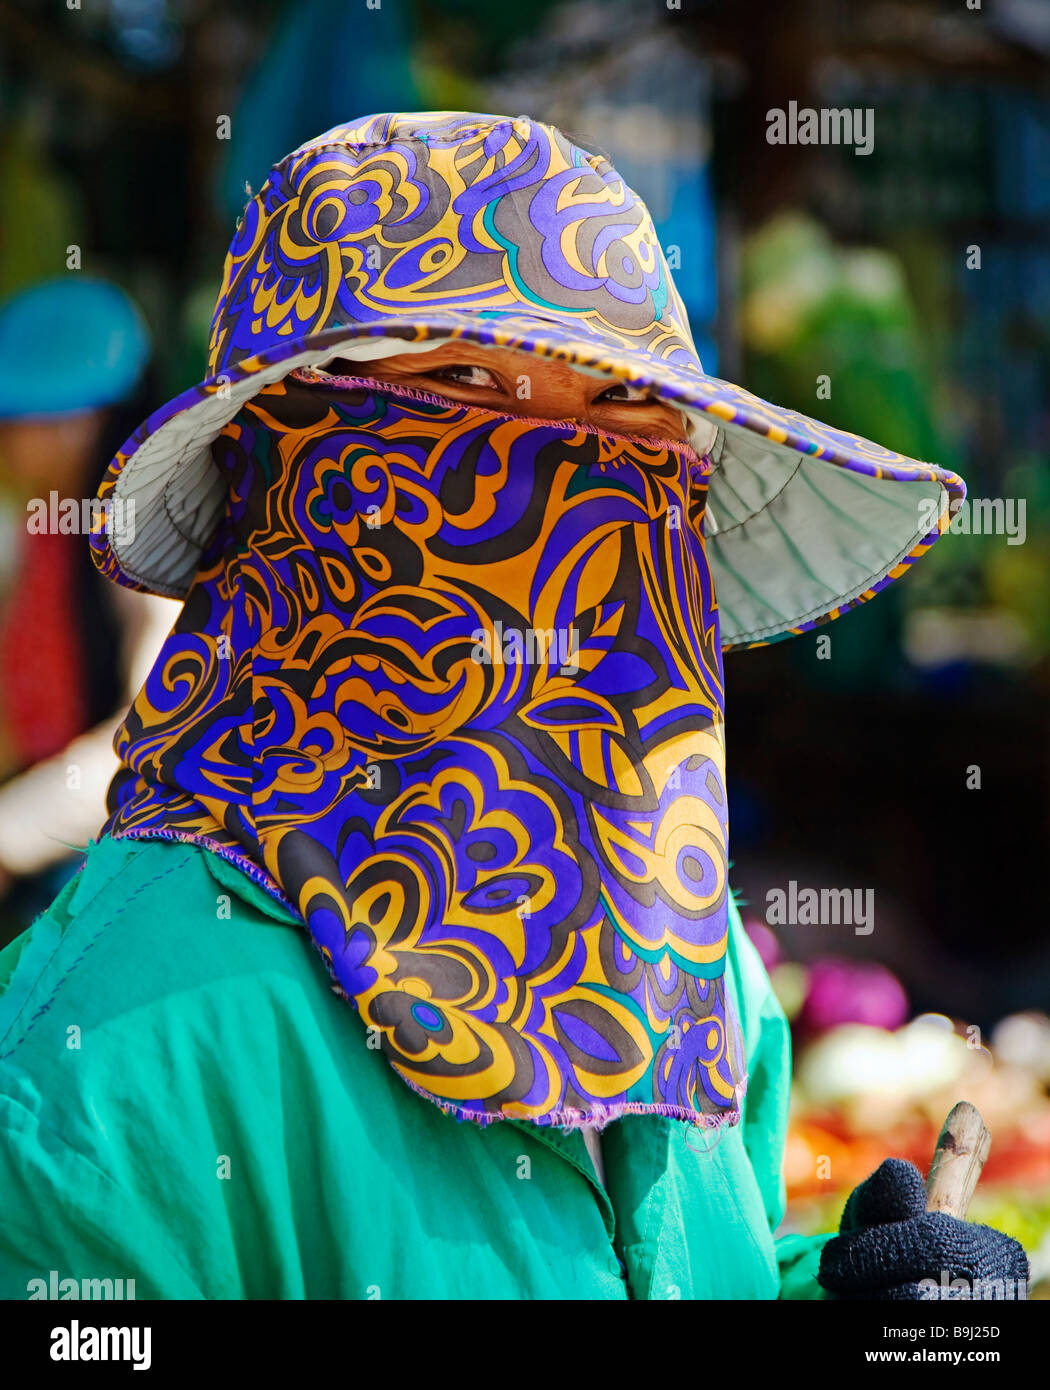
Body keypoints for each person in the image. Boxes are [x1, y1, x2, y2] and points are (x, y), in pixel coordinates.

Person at [0, 112, 1028, 1300]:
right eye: (459, 382)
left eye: (625, 407)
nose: (560, 473)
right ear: (286, 469)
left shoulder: (690, 969)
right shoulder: (103, 1073)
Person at [0, 278, 173, 947]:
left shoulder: (143, 532)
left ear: (71, 424)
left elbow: (148, 739)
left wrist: (9, 833)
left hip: (117, 869)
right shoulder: (50, 523)